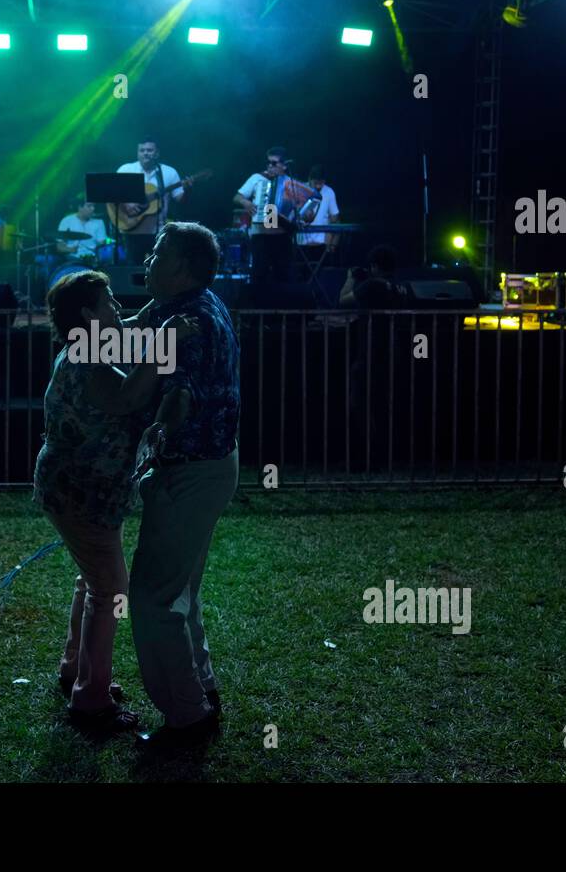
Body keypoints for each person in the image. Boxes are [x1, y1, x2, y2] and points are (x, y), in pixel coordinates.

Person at [33, 270, 198, 735]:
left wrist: (152, 323)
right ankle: (91, 702)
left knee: (95, 582)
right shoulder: (87, 359)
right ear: (88, 314)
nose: (117, 308)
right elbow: (127, 398)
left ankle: (76, 671)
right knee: (110, 589)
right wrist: (166, 340)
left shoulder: (88, 346)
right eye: (108, 301)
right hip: (81, 491)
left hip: (83, 490)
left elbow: (125, 335)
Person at [128, 222, 241, 752]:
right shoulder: (183, 307)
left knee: (151, 598)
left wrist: (157, 436)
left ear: (182, 268)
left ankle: (186, 717)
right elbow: (126, 332)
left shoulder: (187, 323)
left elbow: (183, 395)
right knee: (181, 593)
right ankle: (200, 691)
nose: (147, 259)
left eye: (158, 253)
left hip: (190, 471)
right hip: (209, 467)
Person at [233, 147, 317, 284]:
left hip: (282, 237)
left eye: (274, 163)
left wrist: (305, 214)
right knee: (259, 276)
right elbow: (237, 197)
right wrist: (246, 203)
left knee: (282, 277)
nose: (269, 166)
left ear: (284, 165)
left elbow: (305, 212)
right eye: (268, 162)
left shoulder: (291, 185)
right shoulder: (258, 178)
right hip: (261, 236)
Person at [116, 137, 191, 262]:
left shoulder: (169, 172)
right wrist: (127, 203)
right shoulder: (126, 170)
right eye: (142, 150)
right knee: (133, 270)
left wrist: (188, 189)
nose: (145, 153)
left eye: (149, 150)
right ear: (137, 153)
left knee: (160, 267)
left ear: (157, 153)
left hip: (159, 230)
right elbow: (113, 195)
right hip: (132, 229)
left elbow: (180, 200)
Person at [340, 244, 404, 309]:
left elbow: (343, 300)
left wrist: (350, 277)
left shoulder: (371, 284)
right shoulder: (404, 287)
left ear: (375, 266)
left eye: (371, 266)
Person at [298, 164, 341, 246]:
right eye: (315, 183)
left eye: (321, 183)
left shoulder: (329, 192)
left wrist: (332, 244)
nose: (318, 186)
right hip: (301, 244)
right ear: (310, 179)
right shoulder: (301, 189)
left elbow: (335, 219)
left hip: (321, 243)